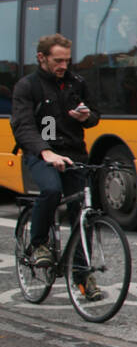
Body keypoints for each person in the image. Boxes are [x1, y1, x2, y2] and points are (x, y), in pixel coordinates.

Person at [10, 34, 102, 298]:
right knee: (50, 191)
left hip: (74, 155)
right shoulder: (28, 87)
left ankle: (83, 277)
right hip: (41, 155)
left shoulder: (77, 83)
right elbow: (22, 126)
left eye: (67, 60)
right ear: (42, 58)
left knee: (83, 213)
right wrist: (45, 152)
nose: (64, 66)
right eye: (58, 60)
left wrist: (86, 117)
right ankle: (38, 244)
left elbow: (95, 115)